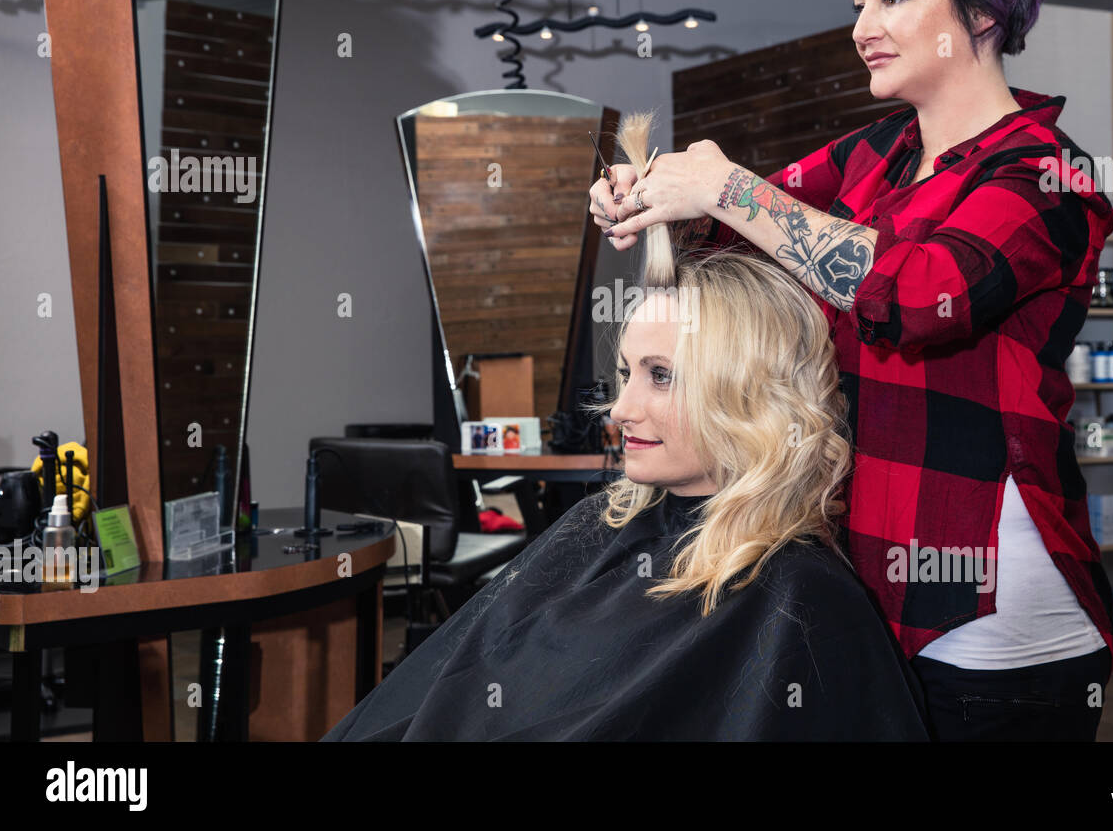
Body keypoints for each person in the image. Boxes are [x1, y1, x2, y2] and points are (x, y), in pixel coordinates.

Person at [592, 0, 1113, 740]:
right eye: (859, 2)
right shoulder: (879, 155)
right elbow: (738, 237)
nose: (862, 25)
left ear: (981, 9)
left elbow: (919, 295)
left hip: (988, 611)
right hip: (867, 570)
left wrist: (726, 187)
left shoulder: (1046, 175)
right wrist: (644, 200)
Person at [322, 250, 930, 741]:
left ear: (748, 395)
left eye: (660, 376)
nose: (620, 408)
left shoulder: (798, 594)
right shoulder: (599, 522)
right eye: (626, 372)